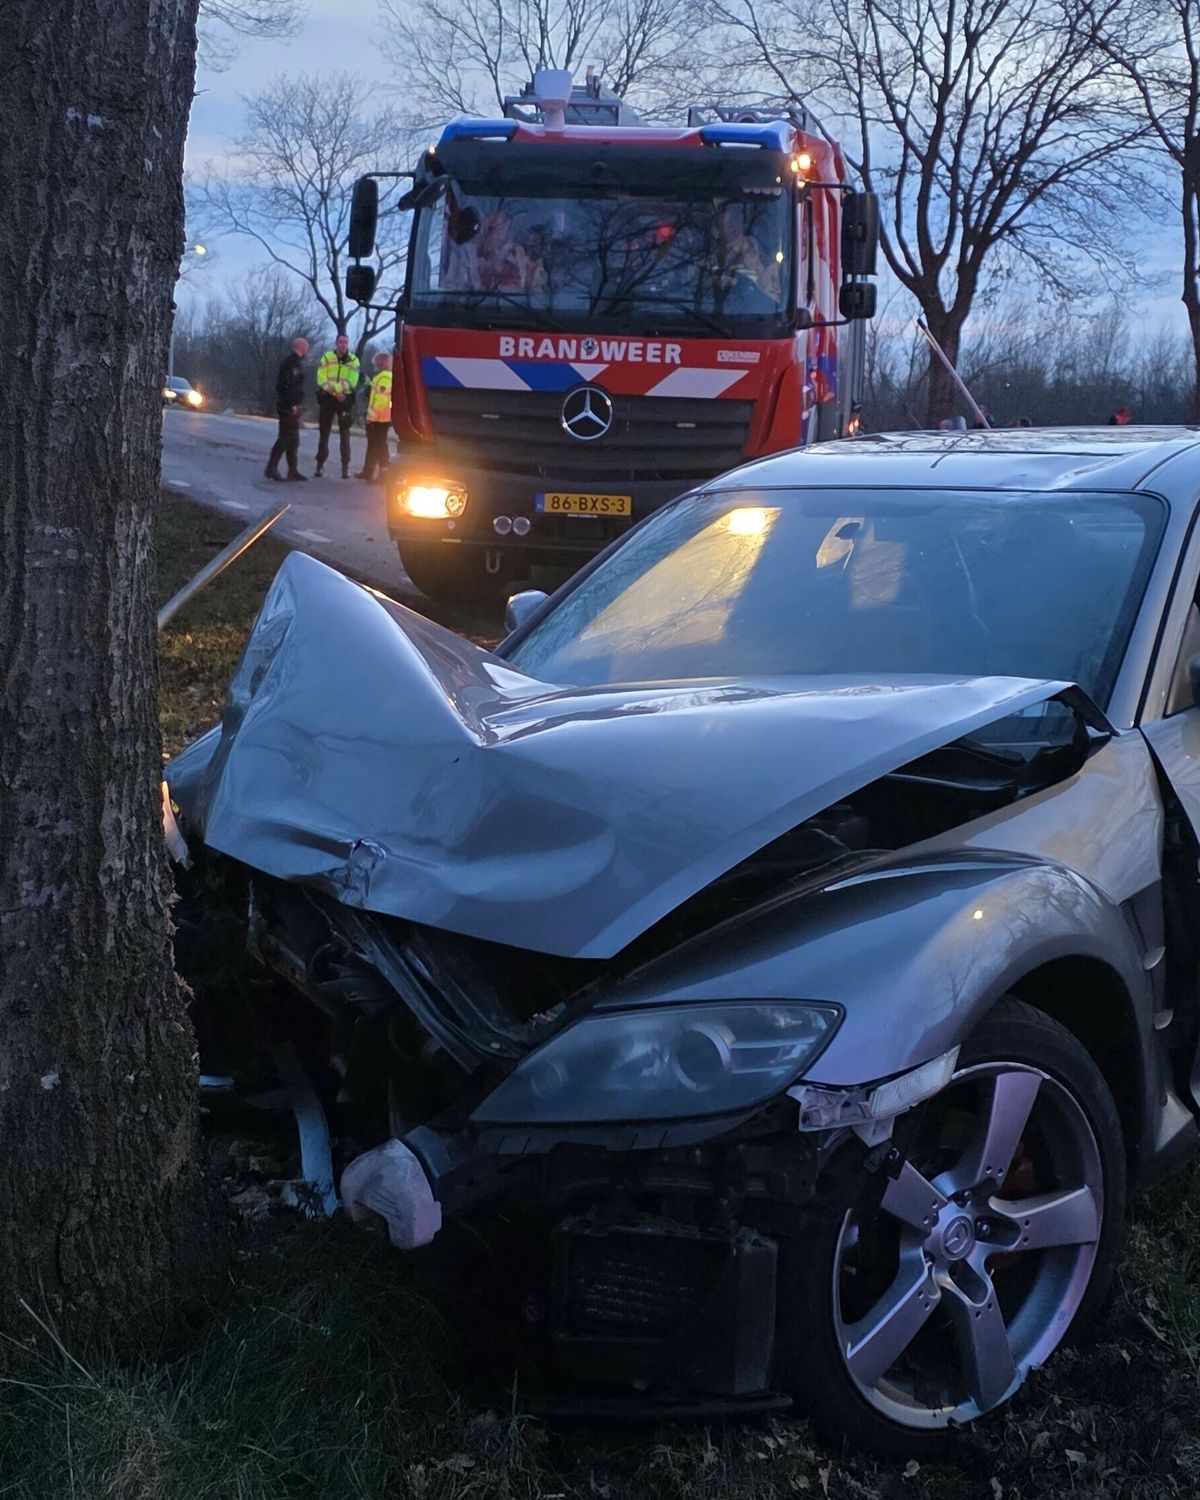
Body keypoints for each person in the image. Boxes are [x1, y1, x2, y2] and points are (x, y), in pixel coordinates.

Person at [314, 333, 361, 478]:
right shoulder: (327, 357)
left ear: (348, 344)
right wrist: (335, 393)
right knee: (324, 433)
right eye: (340, 342)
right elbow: (321, 378)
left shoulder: (354, 360)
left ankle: (345, 467)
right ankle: (320, 465)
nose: (343, 345)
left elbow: (352, 381)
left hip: (344, 400)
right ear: (336, 343)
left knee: (345, 434)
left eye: (345, 342)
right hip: (329, 398)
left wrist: (340, 393)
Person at [264, 336, 309, 481]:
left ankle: (292, 470)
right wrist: (292, 404)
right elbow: (289, 386)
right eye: (306, 347)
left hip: (291, 405)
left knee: (293, 440)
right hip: (287, 406)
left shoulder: (295, 362)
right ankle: (271, 467)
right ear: (301, 347)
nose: (307, 350)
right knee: (284, 438)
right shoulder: (292, 363)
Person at [356, 352, 393, 481]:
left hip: (380, 419)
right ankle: (368, 471)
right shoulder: (381, 377)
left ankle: (383, 474)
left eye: (375, 364)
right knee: (374, 445)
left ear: (381, 363)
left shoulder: (384, 378)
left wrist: (372, 417)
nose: (374, 367)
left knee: (379, 445)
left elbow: (382, 400)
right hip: (380, 417)